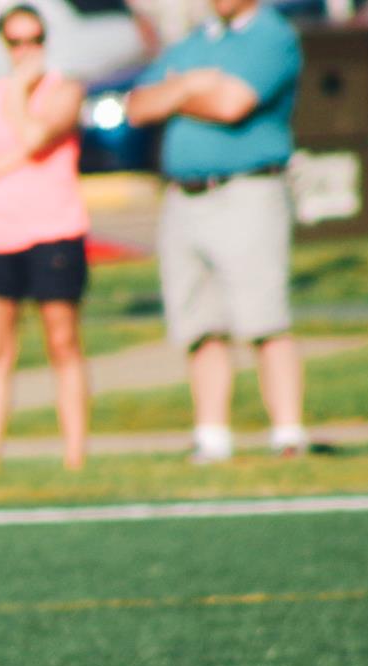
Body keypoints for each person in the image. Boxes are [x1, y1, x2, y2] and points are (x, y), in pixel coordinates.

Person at [127, 0, 308, 463]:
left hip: (246, 189)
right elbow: (138, 106)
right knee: (200, 323)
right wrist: (192, 83)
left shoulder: (271, 35)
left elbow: (233, 104)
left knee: (263, 319)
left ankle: (287, 433)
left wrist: (177, 95)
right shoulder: (194, 43)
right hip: (185, 196)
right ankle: (212, 436)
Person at [0, 5, 91, 477]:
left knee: (62, 341)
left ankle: (75, 453)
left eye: (33, 39)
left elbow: (36, 134)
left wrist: (17, 95)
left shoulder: (65, 91)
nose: (25, 50)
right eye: (15, 42)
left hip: (53, 229)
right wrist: (16, 156)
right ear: (3, 45)